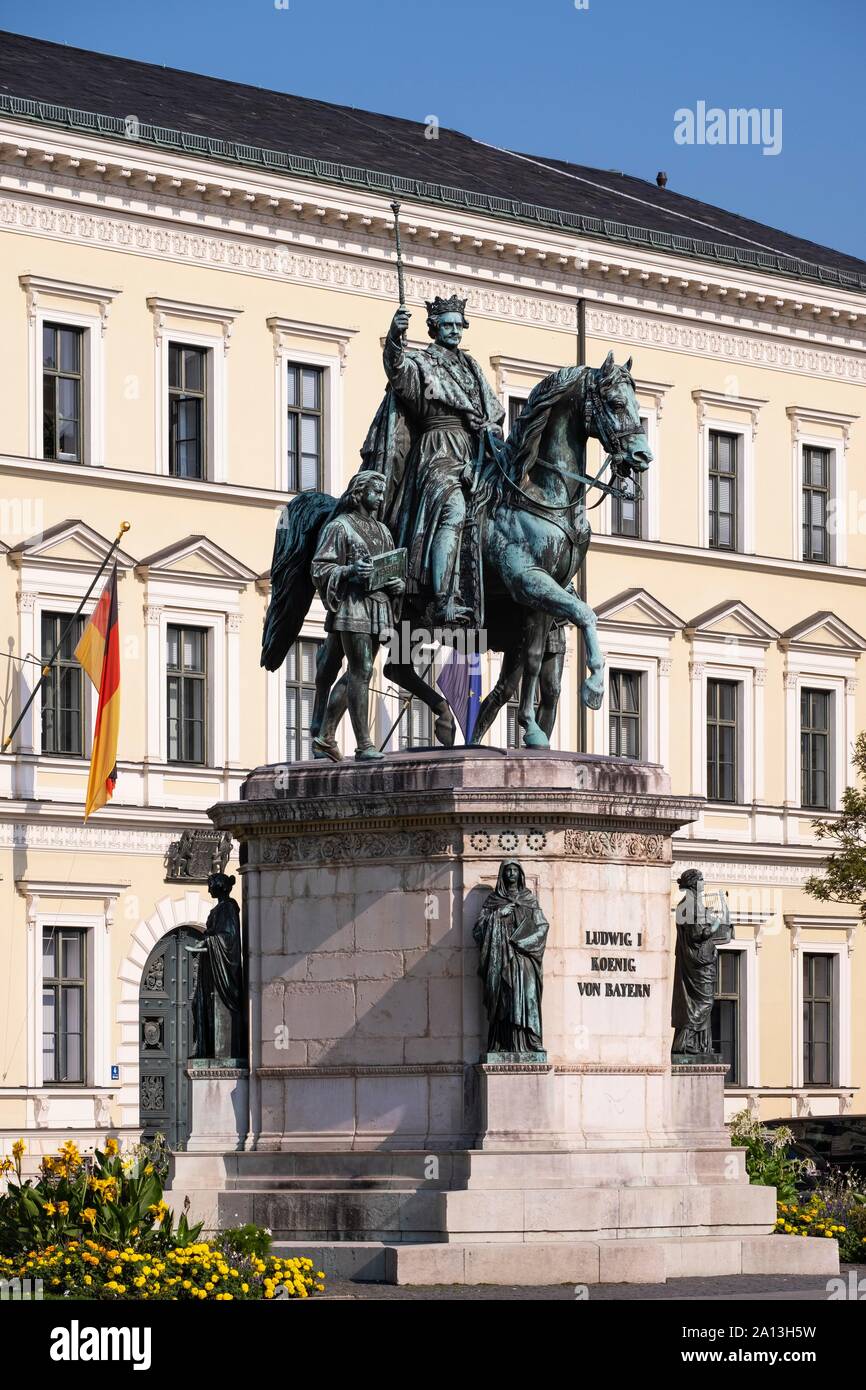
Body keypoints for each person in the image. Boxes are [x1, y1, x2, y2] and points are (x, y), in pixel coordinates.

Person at [361, 294, 505, 624]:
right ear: (434, 328)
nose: (454, 331)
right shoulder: (422, 364)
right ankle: (444, 598)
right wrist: (395, 337)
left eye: (459, 325)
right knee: (454, 507)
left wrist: (491, 429)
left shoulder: (471, 367)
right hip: (437, 452)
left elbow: (494, 414)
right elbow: (397, 371)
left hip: (477, 453)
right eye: (447, 325)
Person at [310, 470, 405, 760]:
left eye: (381, 491)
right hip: (352, 606)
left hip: (378, 606)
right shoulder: (340, 527)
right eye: (375, 491)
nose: (380, 497)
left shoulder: (383, 531)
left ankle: (325, 736)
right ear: (360, 492)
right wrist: (350, 571)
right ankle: (364, 744)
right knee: (362, 670)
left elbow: (391, 569)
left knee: (358, 671)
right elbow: (320, 568)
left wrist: (397, 584)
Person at [473, 860, 549, 1055]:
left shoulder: (529, 900)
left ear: (521, 874)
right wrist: (498, 915)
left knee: (528, 997)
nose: (512, 874)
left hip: (524, 959)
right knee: (504, 1000)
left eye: (515, 870)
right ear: (502, 874)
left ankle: (531, 1040)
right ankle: (503, 1042)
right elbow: (478, 931)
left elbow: (542, 926)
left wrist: (524, 943)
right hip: (501, 959)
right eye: (508, 870)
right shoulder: (493, 901)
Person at [671, 869, 733, 1055]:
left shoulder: (692, 905)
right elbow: (697, 934)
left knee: (698, 1001)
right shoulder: (690, 906)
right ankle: (685, 1042)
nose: (704, 884)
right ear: (693, 884)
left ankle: (698, 1045)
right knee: (704, 1002)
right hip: (699, 963)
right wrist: (714, 925)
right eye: (701, 881)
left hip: (699, 961)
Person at [187, 872, 244, 1060]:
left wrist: (205, 943)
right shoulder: (219, 909)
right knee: (197, 1003)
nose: (208, 888)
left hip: (223, 970)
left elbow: (229, 937)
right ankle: (204, 1047)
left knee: (214, 1007)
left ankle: (220, 1051)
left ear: (219, 886)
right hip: (211, 966)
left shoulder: (228, 908)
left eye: (211, 884)